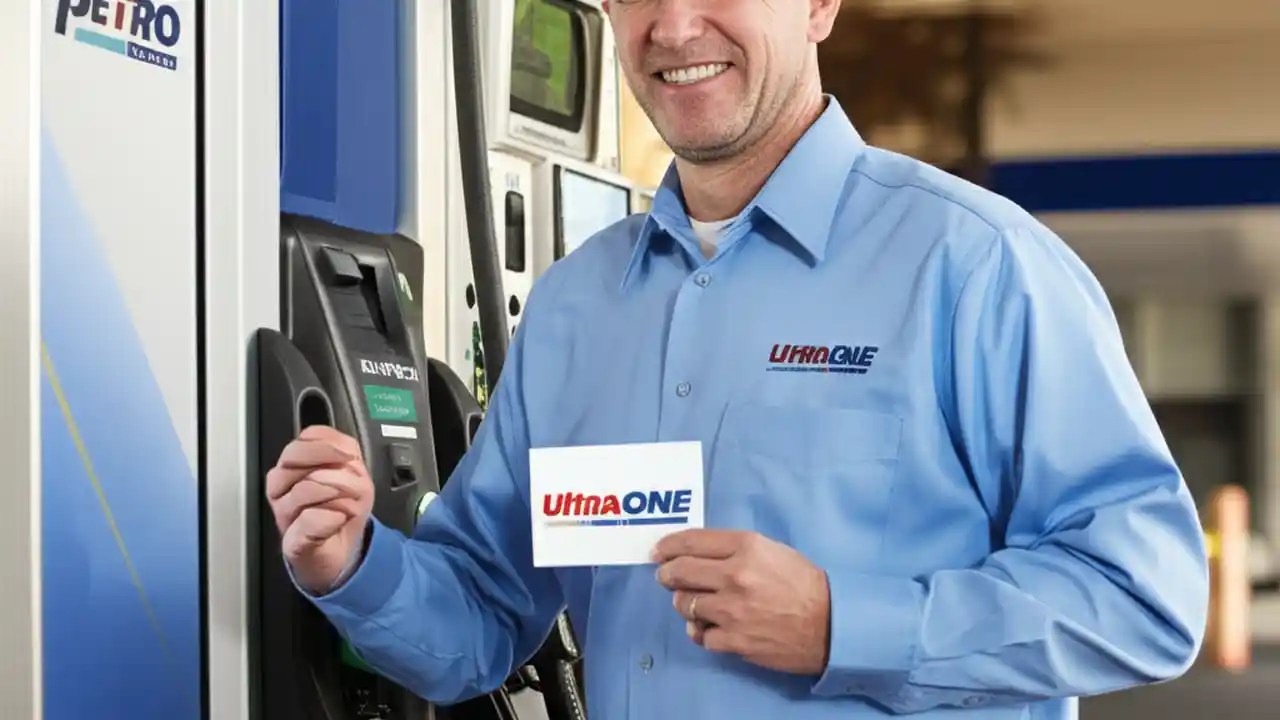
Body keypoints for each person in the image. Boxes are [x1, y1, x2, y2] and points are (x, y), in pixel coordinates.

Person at [266, 0, 1209, 717]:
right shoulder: (575, 309)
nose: (675, 26)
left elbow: (1143, 597)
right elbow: (479, 616)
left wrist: (840, 625)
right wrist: (352, 562)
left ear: (820, 6)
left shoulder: (976, 267)